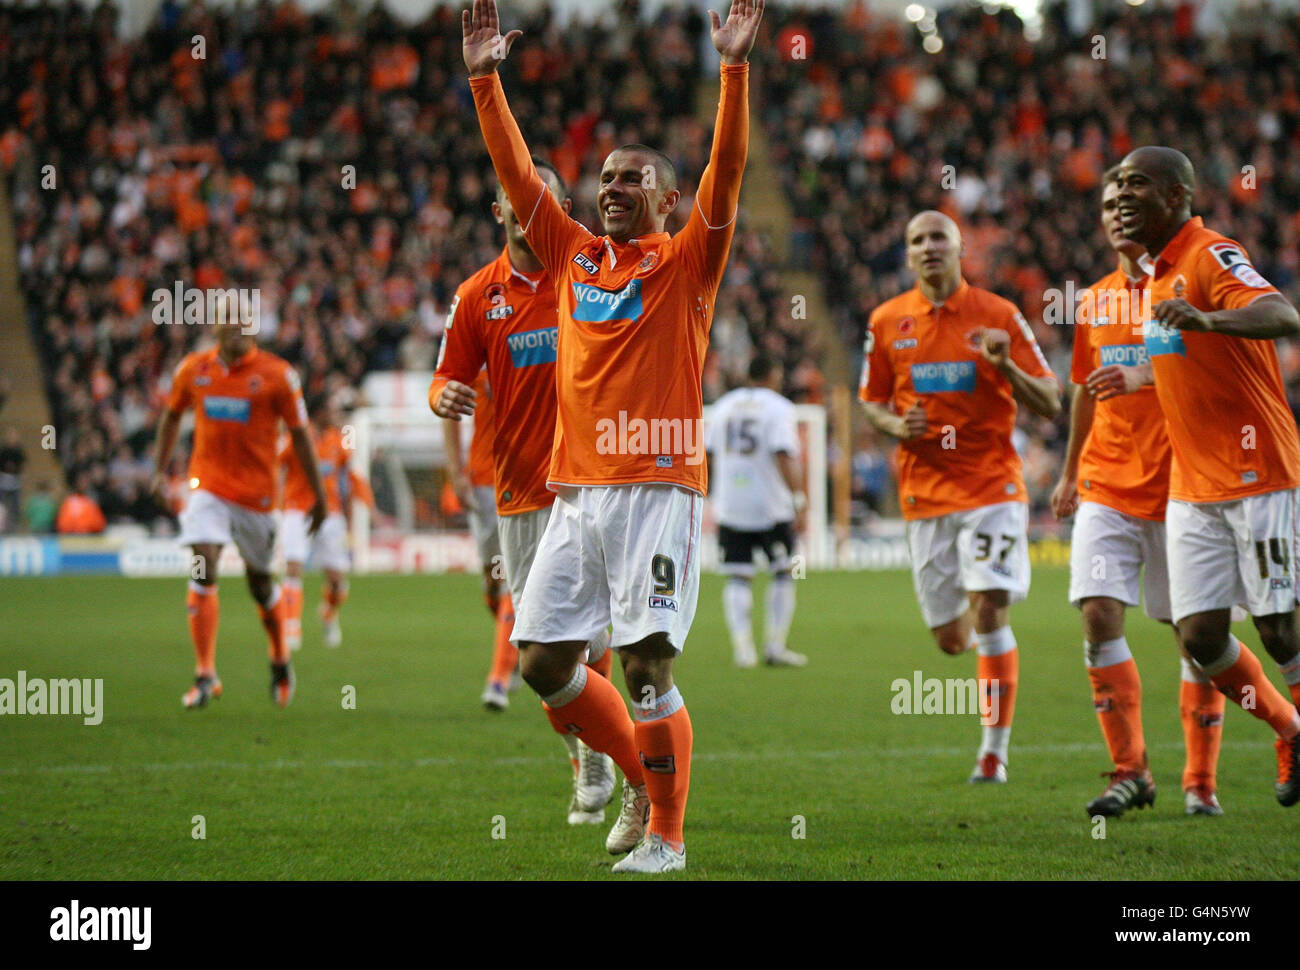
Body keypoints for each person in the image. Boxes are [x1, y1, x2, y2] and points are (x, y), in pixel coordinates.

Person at [462, 0, 764, 872]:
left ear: (667, 199)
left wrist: (735, 69)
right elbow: (518, 176)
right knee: (542, 659)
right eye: (605, 178)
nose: (612, 188)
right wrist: (486, 81)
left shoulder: (686, 262)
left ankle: (667, 839)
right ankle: (639, 777)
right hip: (577, 489)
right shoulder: (571, 256)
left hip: (657, 486)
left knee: (644, 666)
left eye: (633, 180)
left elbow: (730, 168)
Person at [1099, 146, 1300, 805]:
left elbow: (1282, 313)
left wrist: (1211, 318)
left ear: (1180, 196)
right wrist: (1140, 375)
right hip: (1193, 485)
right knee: (1201, 637)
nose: (1124, 195)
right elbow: (1184, 366)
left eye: (1139, 184)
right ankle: (1293, 727)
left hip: (1258, 470)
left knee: (1277, 628)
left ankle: (1287, 744)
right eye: (1119, 184)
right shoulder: (1154, 276)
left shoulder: (1210, 254)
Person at [431, 161, 618, 827]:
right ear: (499, 211)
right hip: (519, 494)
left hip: (593, 484)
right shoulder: (479, 295)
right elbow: (446, 376)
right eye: (518, 196)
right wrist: (442, 395)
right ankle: (588, 751)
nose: (528, 207)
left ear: (562, 207)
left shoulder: (591, 274)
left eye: (542, 198)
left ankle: (609, 758)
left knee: (596, 643)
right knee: (540, 645)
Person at [860, 210, 1061, 783]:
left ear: (960, 248)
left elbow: (1050, 400)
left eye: (938, 239)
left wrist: (1006, 369)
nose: (928, 248)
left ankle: (993, 753)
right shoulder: (886, 319)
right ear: (906, 254)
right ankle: (984, 645)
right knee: (952, 640)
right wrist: (898, 427)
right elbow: (872, 401)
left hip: (992, 484)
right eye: (917, 240)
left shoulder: (998, 316)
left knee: (990, 607)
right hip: (925, 494)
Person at [1051, 170, 1225, 818]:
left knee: (1196, 635)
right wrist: (1070, 472)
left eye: (1126, 202)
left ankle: (1200, 781)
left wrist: (1143, 376)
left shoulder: (1181, 285)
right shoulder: (1092, 301)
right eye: (1104, 206)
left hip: (1183, 482)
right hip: (1107, 483)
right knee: (1098, 613)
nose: (1115, 214)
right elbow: (1082, 388)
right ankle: (1131, 771)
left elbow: (1208, 368)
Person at [151, 303, 327, 709]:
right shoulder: (192, 370)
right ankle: (205, 673)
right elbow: (172, 416)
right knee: (203, 562)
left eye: (245, 320)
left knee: (260, 584)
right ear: (216, 326)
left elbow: (301, 437)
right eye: (230, 319)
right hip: (208, 489)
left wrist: (318, 495)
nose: (238, 327)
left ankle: (280, 658)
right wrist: (160, 471)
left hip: (259, 497)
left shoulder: (278, 375)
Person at [706, 354, 807, 668]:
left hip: (731, 505)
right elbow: (782, 453)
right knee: (783, 571)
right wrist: (800, 499)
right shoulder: (779, 408)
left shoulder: (723, 406)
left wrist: (713, 496)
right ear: (773, 374)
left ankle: (743, 650)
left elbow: (707, 453)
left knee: (737, 576)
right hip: (769, 505)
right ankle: (775, 646)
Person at [279, 396, 368, 650]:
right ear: (318, 413)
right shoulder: (296, 438)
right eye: (331, 409)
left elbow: (350, 477)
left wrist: (359, 510)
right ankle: (291, 626)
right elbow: (277, 465)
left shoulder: (337, 441)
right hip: (297, 510)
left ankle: (328, 613)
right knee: (293, 565)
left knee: (338, 581)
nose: (335, 415)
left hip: (331, 513)